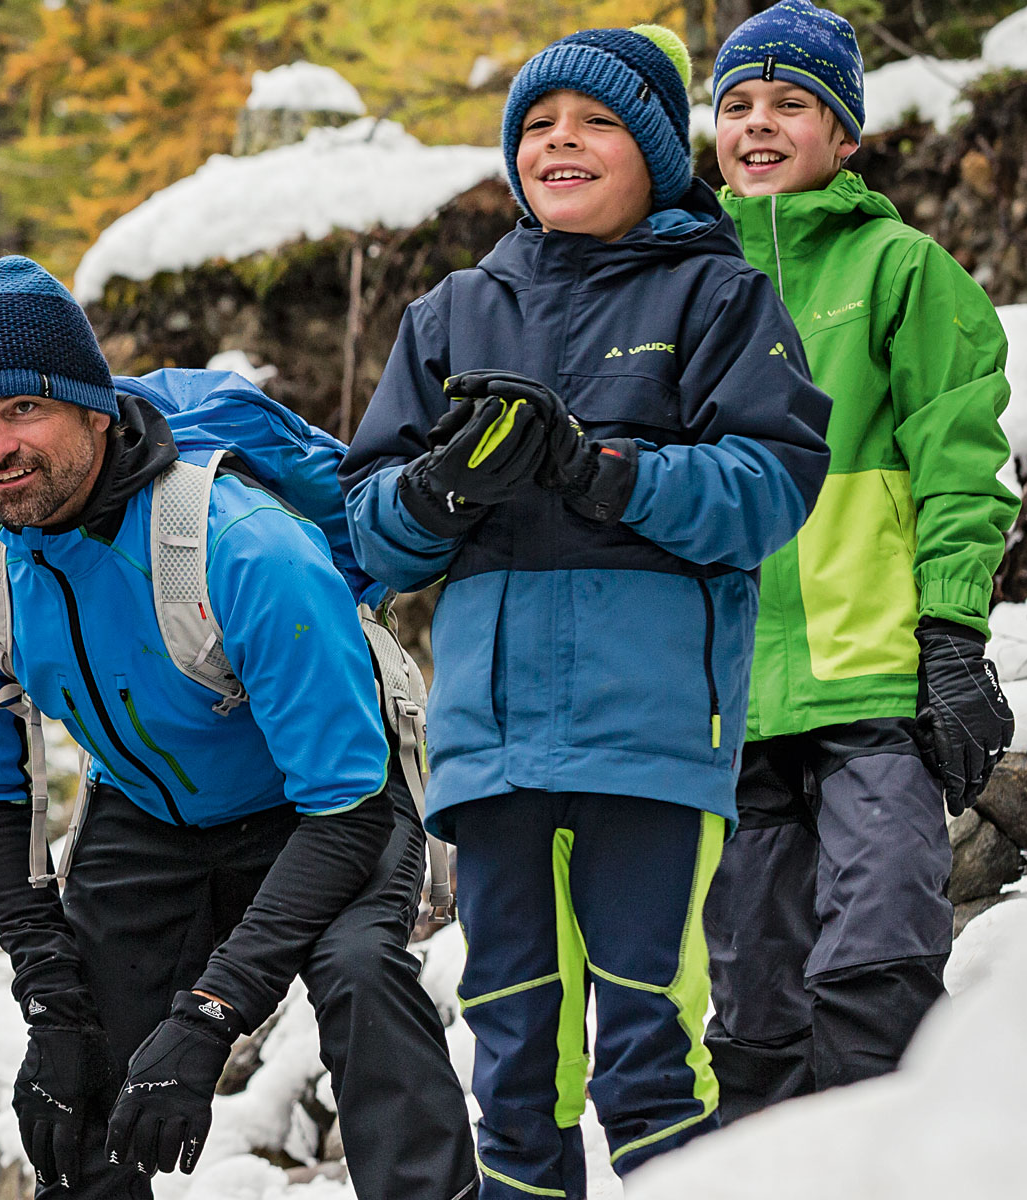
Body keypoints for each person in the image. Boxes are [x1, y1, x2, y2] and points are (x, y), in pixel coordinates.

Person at [338, 26, 832, 1199]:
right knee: (512, 1065)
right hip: (493, 754)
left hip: (653, 746)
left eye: (597, 122)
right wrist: (439, 490)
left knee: (652, 1057)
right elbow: (364, 529)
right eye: (539, 124)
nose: (561, 140)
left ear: (659, 153)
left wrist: (604, 471)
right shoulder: (451, 313)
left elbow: (772, 485)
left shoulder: (718, 294)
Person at [0, 255, 478, 1200]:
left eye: (23, 410)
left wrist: (211, 1015)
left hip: (324, 807)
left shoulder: (241, 542)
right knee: (77, 1071)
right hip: (149, 808)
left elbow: (342, 807)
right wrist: (51, 1005)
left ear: (95, 406)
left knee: (361, 975)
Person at [703, 0, 1018, 1120]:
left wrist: (953, 635)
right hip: (730, 706)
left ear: (845, 134)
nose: (758, 124)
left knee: (876, 966)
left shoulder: (902, 269)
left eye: (793, 102)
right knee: (749, 1006)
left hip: (874, 685)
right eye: (736, 104)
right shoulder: (690, 287)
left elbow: (958, 461)